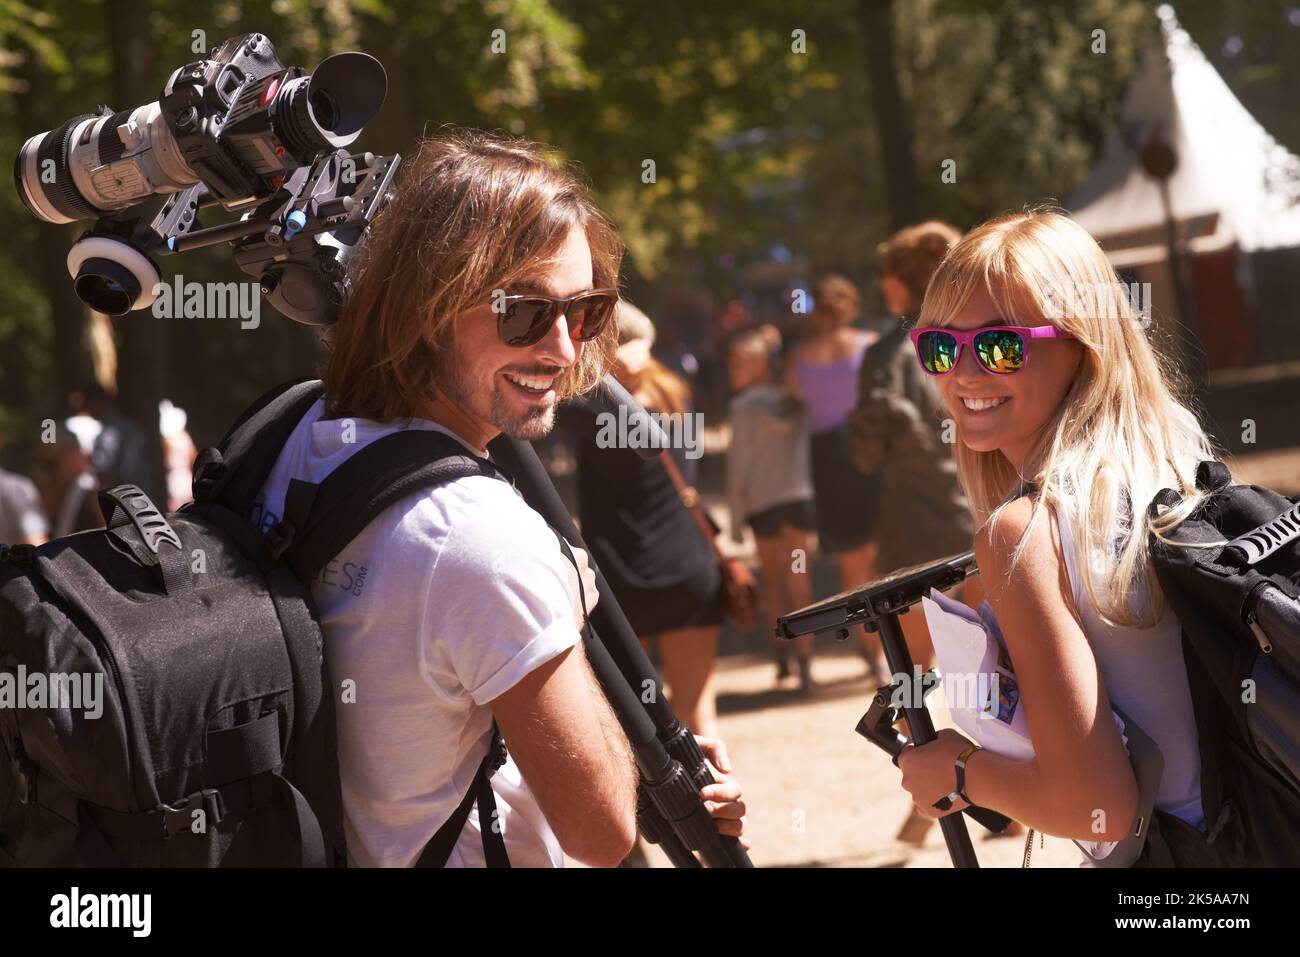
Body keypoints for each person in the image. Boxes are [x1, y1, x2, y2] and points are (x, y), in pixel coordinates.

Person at [251, 130, 746, 867]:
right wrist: (608, 729)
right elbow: (603, 832)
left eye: (586, 312)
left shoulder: (290, 433)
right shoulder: (481, 535)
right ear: (429, 304)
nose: (564, 349)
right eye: (524, 312)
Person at [894, 210, 1223, 866]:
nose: (962, 373)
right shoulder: (1176, 451)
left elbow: (1095, 805)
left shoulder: (1024, 532)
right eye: (939, 346)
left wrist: (958, 769)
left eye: (1000, 345)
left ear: (1084, 341)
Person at [568, 301, 728, 739]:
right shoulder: (676, 393)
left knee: (635, 728)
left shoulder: (585, 411)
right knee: (700, 719)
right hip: (688, 570)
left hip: (620, 582)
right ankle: (723, 807)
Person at [788, 274, 888, 679]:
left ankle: (869, 649)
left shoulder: (799, 356)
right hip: (867, 450)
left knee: (851, 558)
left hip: (826, 456)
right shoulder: (867, 345)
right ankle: (884, 651)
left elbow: (795, 399)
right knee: (880, 552)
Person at [725, 330, 817, 689]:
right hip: (797, 500)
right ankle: (807, 664)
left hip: (763, 506)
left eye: (739, 363)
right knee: (801, 582)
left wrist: (735, 518)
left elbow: (739, 466)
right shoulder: (795, 402)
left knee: (774, 584)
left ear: (759, 364)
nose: (731, 369)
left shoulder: (742, 408)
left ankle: (782, 656)